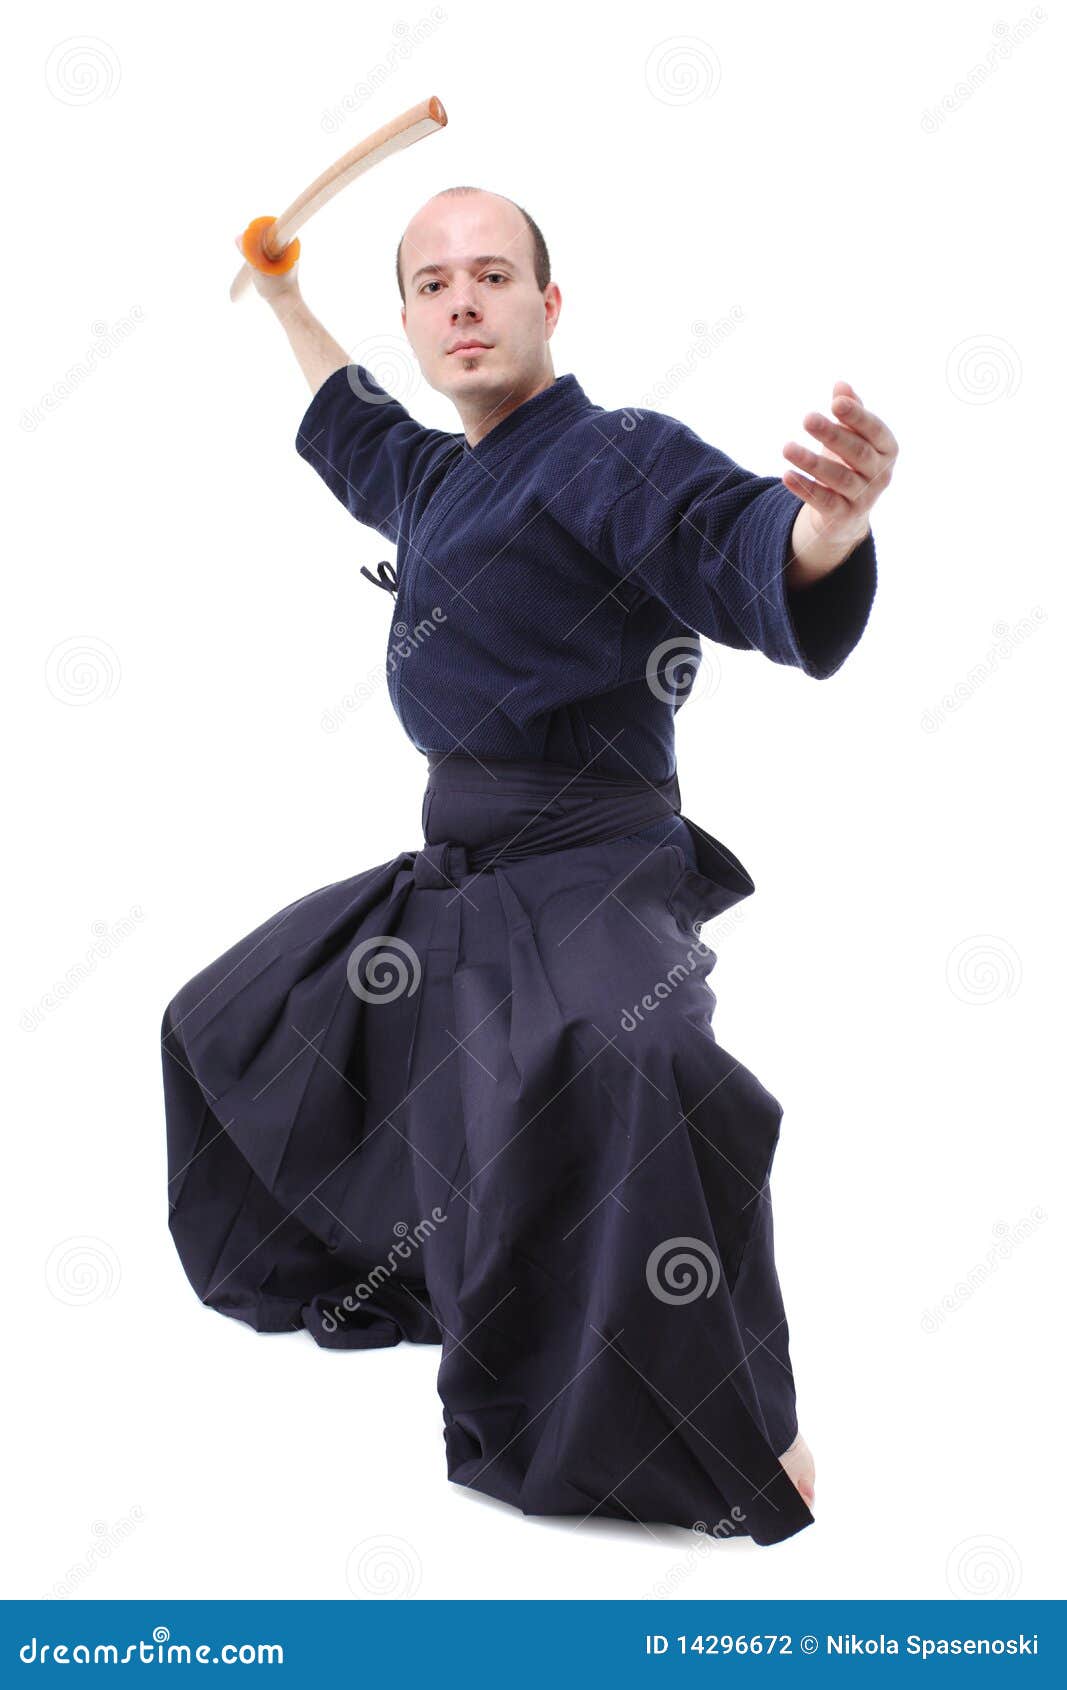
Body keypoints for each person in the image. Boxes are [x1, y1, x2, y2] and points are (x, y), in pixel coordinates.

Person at [161, 185, 896, 1545]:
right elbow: (352, 428)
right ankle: (445, 1267)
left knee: (645, 1070)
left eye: (490, 276)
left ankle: (743, 1423)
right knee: (230, 1021)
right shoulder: (441, 477)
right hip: (459, 870)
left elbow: (737, 541)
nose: (462, 301)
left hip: (594, 860)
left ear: (546, 305)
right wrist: (280, 297)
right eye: (433, 286)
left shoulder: (612, 457)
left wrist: (824, 532)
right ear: (414, 321)